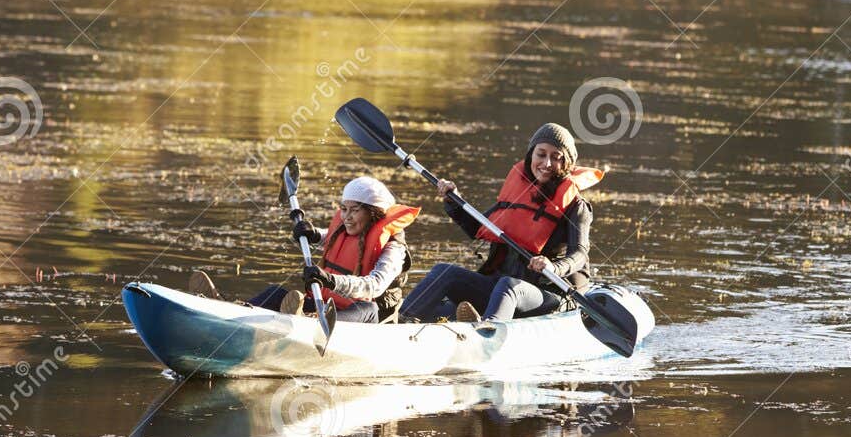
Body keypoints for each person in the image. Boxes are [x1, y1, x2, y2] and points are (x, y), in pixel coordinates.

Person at [399, 123, 600, 323]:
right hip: (498, 288)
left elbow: (579, 255)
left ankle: (486, 332)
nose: (546, 163)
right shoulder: (518, 194)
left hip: (546, 295)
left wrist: (554, 267)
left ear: (567, 164)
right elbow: (477, 228)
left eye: (556, 157)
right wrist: (453, 201)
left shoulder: (577, 207)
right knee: (443, 272)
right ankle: (399, 320)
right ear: (531, 155)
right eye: (541, 154)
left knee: (508, 285)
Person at [191, 175, 418, 324]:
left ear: (373, 213)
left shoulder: (394, 249)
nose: (346, 217)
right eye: (343, 209)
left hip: (372, 318)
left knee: (366, 306)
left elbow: (374, 286)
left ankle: (306, 322)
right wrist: (312, 235)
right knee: (276, 293)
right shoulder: (350, 227)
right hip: (328, 307)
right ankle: (229, 311)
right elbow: (332, 238)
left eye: (354, 210)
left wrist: (330, 280)